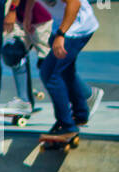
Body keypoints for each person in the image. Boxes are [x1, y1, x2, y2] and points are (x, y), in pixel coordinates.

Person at [37, 0, 101, 140]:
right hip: (64, 25)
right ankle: (80, 114)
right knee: (65, 71)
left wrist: (61, 35)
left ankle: (67, 126)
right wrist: (28, 15)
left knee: (50, 74)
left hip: (77, 27)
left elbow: (74, 3)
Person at [3, 0, 52, 110]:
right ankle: (24, 101)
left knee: (49, 64)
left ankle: (84, 96)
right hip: (21, 14)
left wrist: (12, 9)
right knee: (13, 51)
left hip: (42, 16)